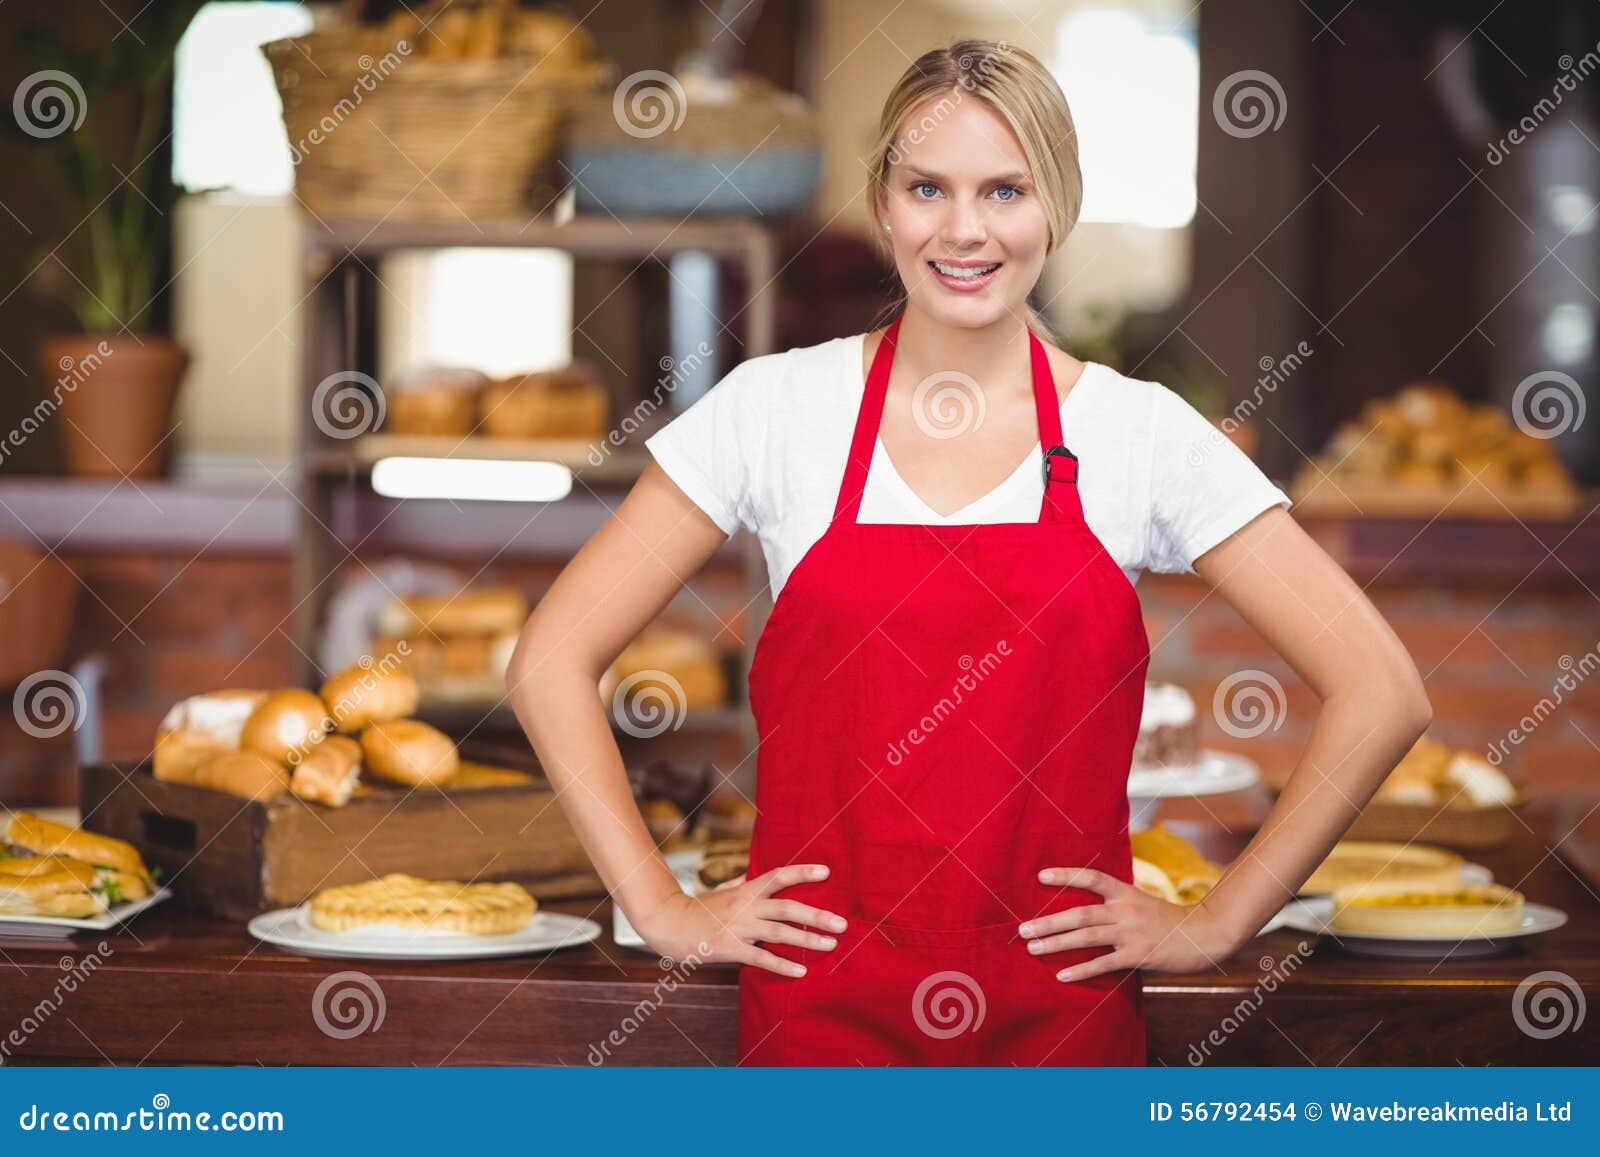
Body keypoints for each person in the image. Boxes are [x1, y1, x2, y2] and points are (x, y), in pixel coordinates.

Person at [507, 39, 1432, 1066]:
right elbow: (550, 659)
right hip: (820, 1021)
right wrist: (658, 904)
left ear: (1057, 206)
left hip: (1058, 1025)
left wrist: (1219, 918)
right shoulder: (774, 409)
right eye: (926, 188)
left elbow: (1380, 688)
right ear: (883, 203)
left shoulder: (1141, 434)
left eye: (1005, 189)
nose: (963, 229)